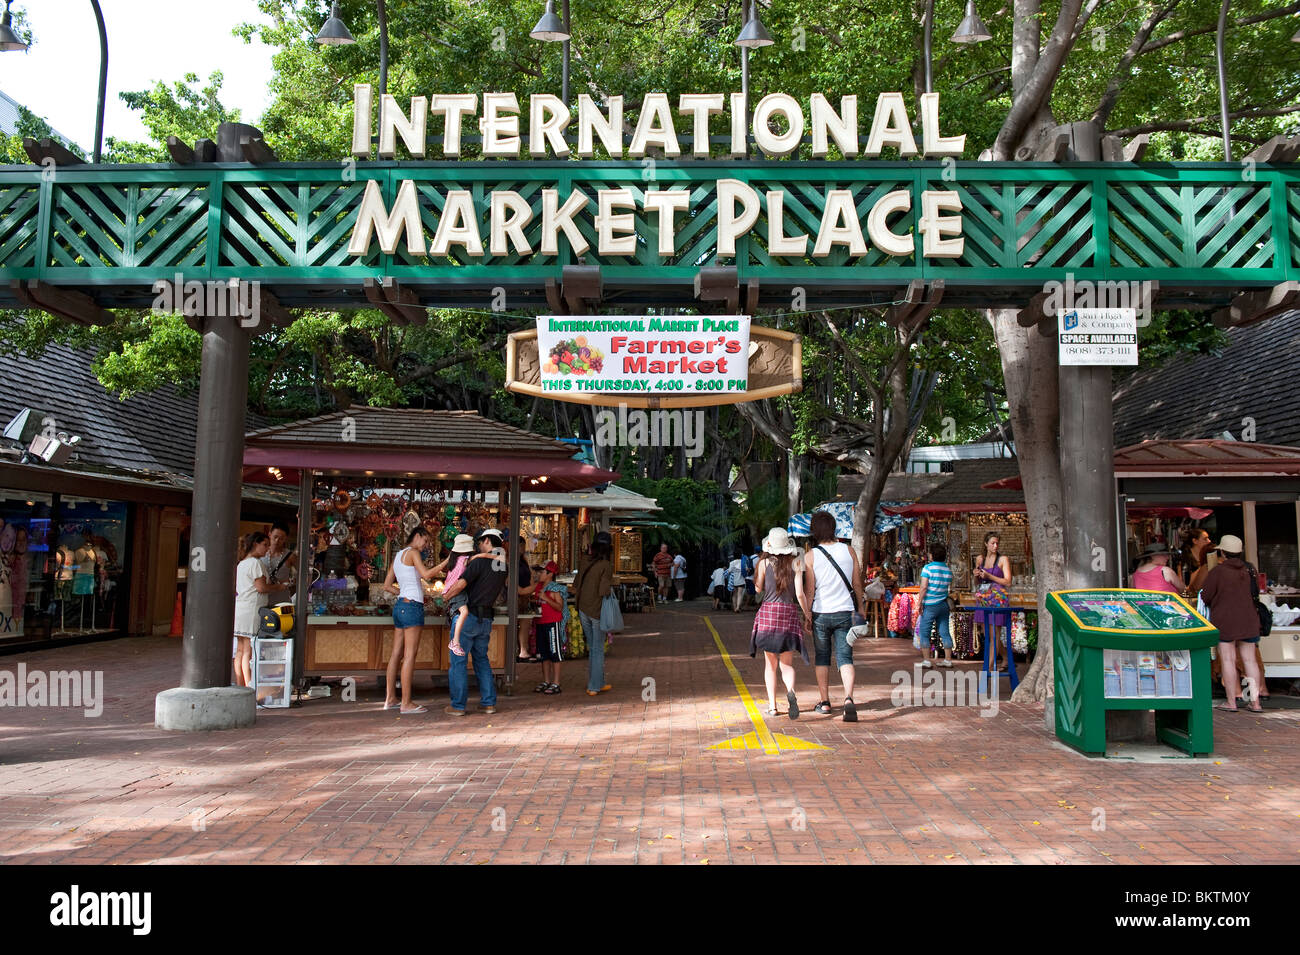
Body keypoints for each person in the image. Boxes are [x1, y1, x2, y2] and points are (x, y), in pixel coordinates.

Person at [802, 511, 863, 722]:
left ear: (815, 531)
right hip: (845, 611)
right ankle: (848, 699)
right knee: (846, 657)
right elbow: (857, 584)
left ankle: (825, 702)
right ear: (834, 528)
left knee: (822, 657)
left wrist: (808, 615)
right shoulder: (849, 551)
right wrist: (861, 608)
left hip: (821, 612)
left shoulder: (810, 556)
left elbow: (810, 590)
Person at [441, 528, 508, 716]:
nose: (477, 546)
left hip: (468, 618)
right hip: (486, 619)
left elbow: (462, 583)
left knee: (458, 661)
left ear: (487, 540)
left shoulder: (479, 562)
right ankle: (488, 703)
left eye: (479, 542)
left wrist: (447, 596)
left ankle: (458, 705)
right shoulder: (502, 566)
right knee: (481, 660)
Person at [749, 528, 809, 719]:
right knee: (787, 663)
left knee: (770, 664)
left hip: (768, 612)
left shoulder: (763, 562)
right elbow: (800, 593)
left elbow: (758, 589)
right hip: (788, 612)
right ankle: (790, 691)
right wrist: (808, 614)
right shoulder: (797, 562)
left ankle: (773, 706)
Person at [1200, 535, 1264, 713]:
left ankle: (1231, 702)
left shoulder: (1218, 572)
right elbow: (1255, 592)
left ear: (1222, 552)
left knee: (1228, 659)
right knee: (1250, 660)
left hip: (1225, 620)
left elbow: (1206, 596)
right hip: (1249, 618)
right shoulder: (1250, 569)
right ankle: (1255, 702)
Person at [381, 526, 440, 714]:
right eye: (426, 540)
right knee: (409, 656)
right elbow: (427, 575)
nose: (427, 545)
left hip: (400, 607)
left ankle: (390, 698)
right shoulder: (413, 552)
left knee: (396, 654)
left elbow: (386, 585)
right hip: (412, 607)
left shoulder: (398, 555)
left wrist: (402, 593)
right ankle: (406, 703)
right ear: (417, 536)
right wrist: (448, 561)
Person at [233, 532, 284, 689]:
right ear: (256, 544)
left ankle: (240, 685)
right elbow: (261, 588)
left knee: (240, 650)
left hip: (241, 608)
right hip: (252, 609)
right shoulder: (255, 563)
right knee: (248, 650)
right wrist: (279, 587)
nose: (267, 548)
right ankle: (249, 687)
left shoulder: (242, 563)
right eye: (265, 545)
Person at [575, 531, 614, 696]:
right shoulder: (606, 565)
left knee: (593, 648)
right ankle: (594, 686)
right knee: (597, 649)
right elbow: (604, 590)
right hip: (597, 611)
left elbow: (577, 584)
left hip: (583, 608)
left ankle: (599, 681)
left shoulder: (584, 561)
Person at [431, 533, 475, 660]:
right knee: (464, 612)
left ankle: (455, 640)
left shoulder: (454, 560)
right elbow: (477, 558)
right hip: (455, 590)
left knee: (459, 612)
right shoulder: (465, 559)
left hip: (450, 589)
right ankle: (455, 641)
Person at [972, 532, 1012, 671]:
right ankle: (1006, 657)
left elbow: (1008, 581)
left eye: (997, 543)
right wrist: (976, 575)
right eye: (992, 543)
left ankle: (987, 667)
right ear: (986, 544)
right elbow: (977, 582)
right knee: (987, 633)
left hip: (997, 598)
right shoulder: (980, 559)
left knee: (994, 634)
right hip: (983, 597)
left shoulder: (1003, 559)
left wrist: (990, 576)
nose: (995, 546)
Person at [915, 543, 954, 668]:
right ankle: (948, 660)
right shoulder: (948, 570)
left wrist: (919, 602)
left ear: (932, 555)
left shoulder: (927, 568)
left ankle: (927, 660)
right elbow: (948, 588)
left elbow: (924, 587)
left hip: (930, 605)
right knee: (945, 632)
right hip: (943, 605)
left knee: (924, 632)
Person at [532, 561, 567, 694]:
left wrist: (545, 598)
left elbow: (559, 607)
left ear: (550, 574)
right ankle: (546, 680)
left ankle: (556, 682)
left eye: (541, 572)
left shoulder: (555, 589)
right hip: (540, 623)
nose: (539, 574)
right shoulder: (538, 586)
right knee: (544, 654)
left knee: (555, 653)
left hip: (552, 624)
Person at [260, 522, 298, 593]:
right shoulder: (261, 552)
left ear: (285, 539)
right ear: (269, 534)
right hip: (262, 599)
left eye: (281, 538)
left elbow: (302, 575)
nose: (277, 541)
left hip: (282, 600)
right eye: (275, 537)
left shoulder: (290, 556)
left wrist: (290, 582)